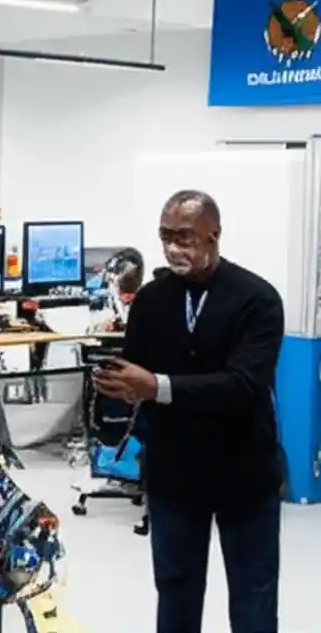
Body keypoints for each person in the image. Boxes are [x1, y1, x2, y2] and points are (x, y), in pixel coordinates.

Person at [93, 190, 284, 633]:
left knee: (253, 598)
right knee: (175, 592)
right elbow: (137, 371)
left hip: (244, 473)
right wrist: (122, 388)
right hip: (174, 475)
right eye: (166, 236)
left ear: (214, 235)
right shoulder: (151, 300)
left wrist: (156, 386)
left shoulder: (256, 299)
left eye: (185, 237)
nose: (173, 248)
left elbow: (243, 385)